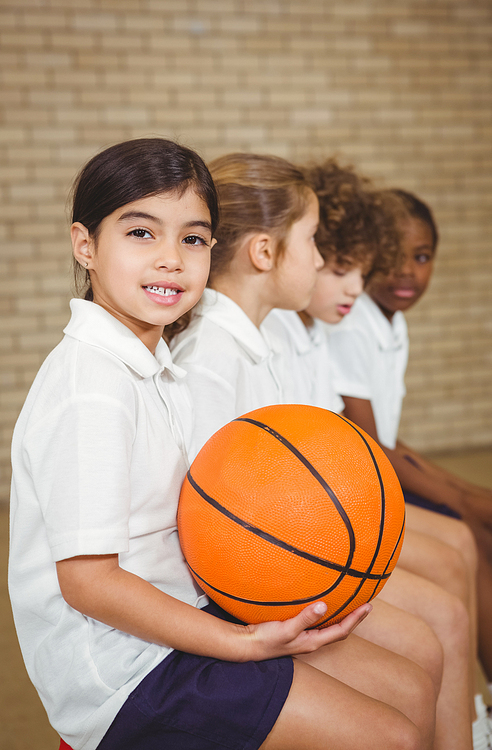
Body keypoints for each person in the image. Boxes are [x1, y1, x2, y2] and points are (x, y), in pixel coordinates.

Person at [8, 139, 433, 750]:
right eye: (140, 233)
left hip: (186, 615)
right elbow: (89, 583)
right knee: (387, 735)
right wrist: (244, 641)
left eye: (193, 238)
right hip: (124, 673)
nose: (171, 260)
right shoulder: (90, 385)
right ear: (85, 246)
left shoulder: (152, 364)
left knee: (406, 685)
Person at [169, 152, 475, 750]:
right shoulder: (212, 355)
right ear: (264, 253)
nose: (317, 257)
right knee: (422, 646)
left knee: (429, 641)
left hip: (296, 557)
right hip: (255, 584)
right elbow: (213, 524)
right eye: (312, 242)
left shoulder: (250, 338)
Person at [260, 160, 482, 750]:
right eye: (337, 265)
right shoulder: (276, 335)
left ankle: (465, 720)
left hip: (330, 506)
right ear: (266, 251)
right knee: (454, 576)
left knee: (459, 551)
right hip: (307, 532)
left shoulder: (306, 328)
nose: (355, 286)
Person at [326, 187, 492, 685]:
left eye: (421, 258)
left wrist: (469, 493)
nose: (407, 273)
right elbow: (372, 449)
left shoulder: (389, 322)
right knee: (473, 536)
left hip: (377, 468)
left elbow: (393, 439)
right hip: (357, 488)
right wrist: (466, 502)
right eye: (392, 259)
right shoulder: (353, 326)